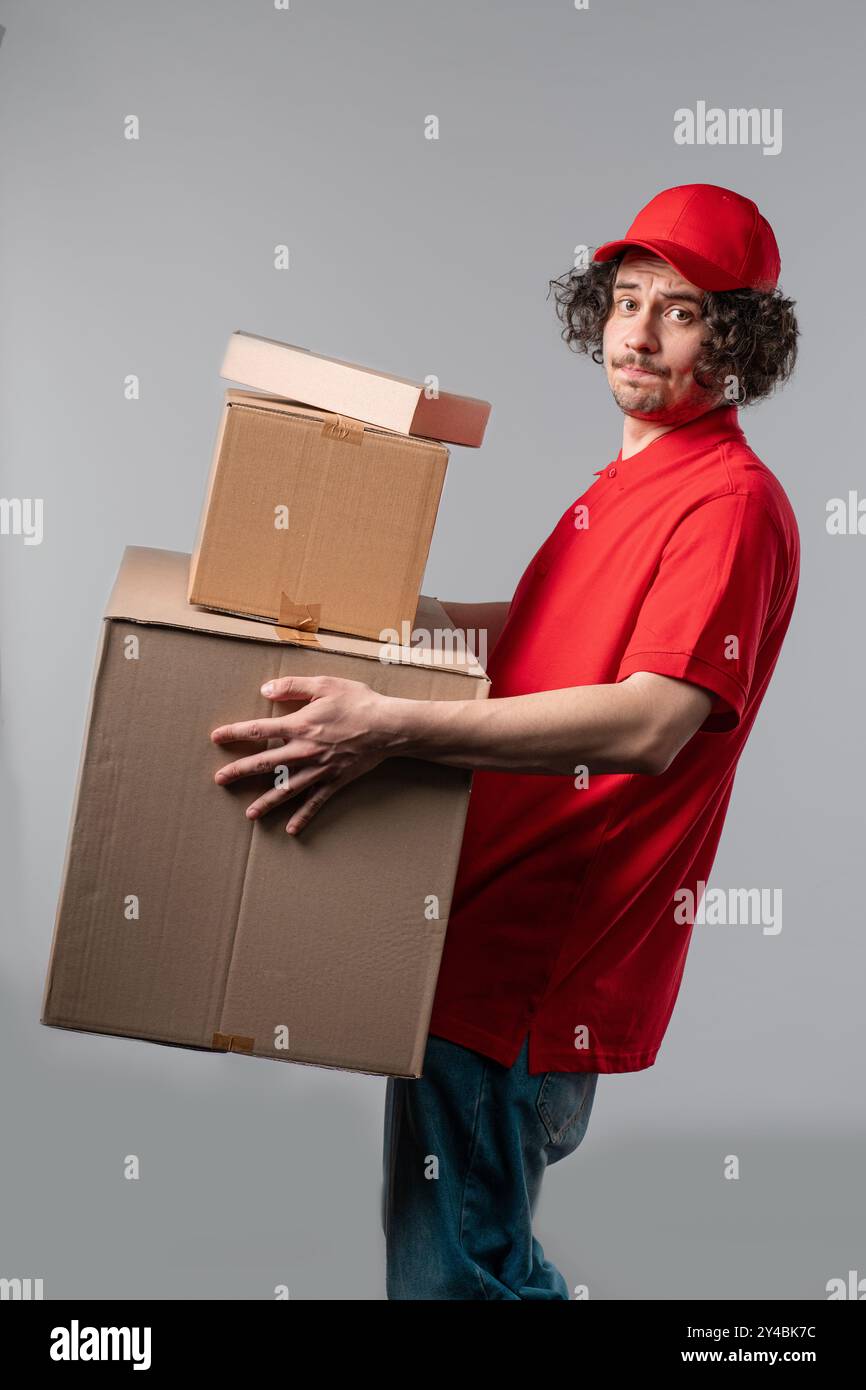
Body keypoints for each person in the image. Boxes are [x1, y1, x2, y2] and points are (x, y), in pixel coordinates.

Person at [210, 183, 801, 1300]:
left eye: (677, 310)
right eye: (624, 299)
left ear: (734, 339)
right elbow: (539, 643)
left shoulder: (727, 503)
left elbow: (646, 719)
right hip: (473, 930)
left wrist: (389, 725)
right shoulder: (629, 484)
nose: (635, 331)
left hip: (534, 962)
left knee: (452, 1281)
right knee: (472, 1255)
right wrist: (402, 616)